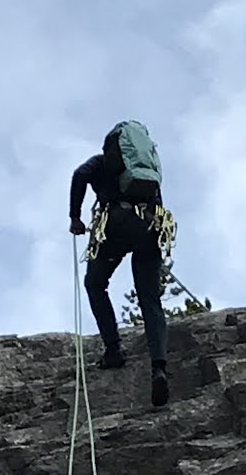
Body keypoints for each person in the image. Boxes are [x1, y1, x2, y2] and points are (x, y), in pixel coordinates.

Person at [69, 123, 171, 407]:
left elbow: (79, 175)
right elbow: (158, 202)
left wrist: (75, 217)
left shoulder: (102, 163)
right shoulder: (146, 171)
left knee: (95, 284)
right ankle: (159, 367)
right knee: (150, 299)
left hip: (114, 226)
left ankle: (113, 349)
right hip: (148, 227)